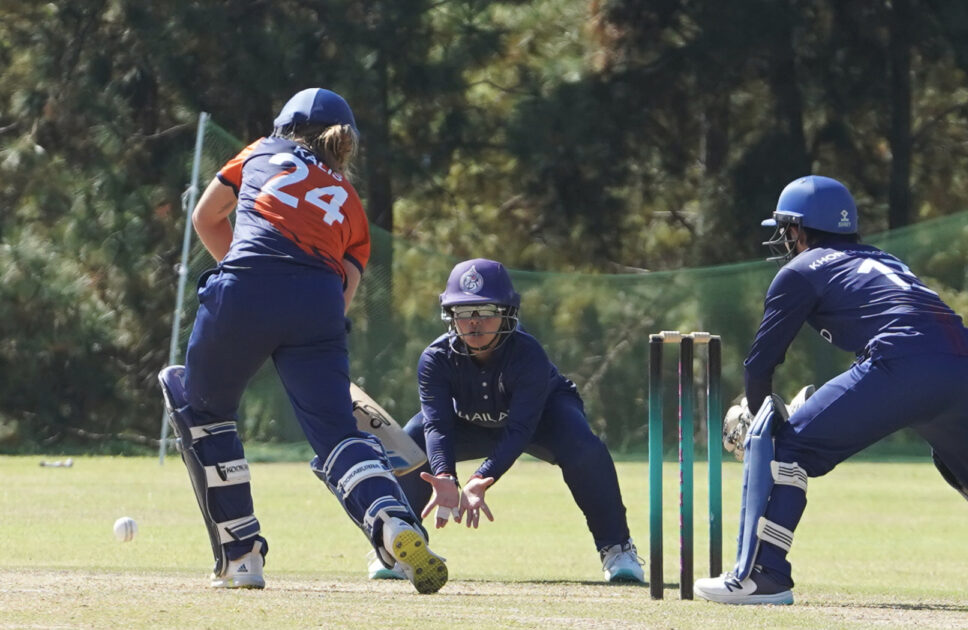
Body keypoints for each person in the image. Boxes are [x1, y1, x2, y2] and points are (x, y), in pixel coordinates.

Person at [694, 175, 968, 606]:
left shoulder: (800, 270)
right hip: (966, 358)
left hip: (904, 361)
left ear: (799, 229)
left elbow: (760, 364)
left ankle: (764, 576)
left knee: (790, 449)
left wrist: (760, 420)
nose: (786, 239)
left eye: (787, 229)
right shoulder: (881, 258)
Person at [157, 88, 447, 593]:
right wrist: (294, 329)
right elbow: (340, 300)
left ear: (284, 129)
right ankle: (393, 522)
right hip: (318, 305)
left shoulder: (260, 152)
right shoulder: (352, 206)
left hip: (246, 283)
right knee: (338, 435)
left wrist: (253, 298)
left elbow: (206, 217)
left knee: (199, 408)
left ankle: (242, 557)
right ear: (345, 146)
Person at [367, 258, 645, 583]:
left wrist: (482, 476)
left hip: (543, 416)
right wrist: (444, 475)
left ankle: (617, 548)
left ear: (507, 313)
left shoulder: (528, 354)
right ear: (450, 316)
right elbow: (436, 424)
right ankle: (396, 546)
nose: (474, 322)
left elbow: (520, 428)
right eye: (463, 312)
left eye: (486, 310)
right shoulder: (434, 359)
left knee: (585, 449)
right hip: (469, 421)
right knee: (411, 442)